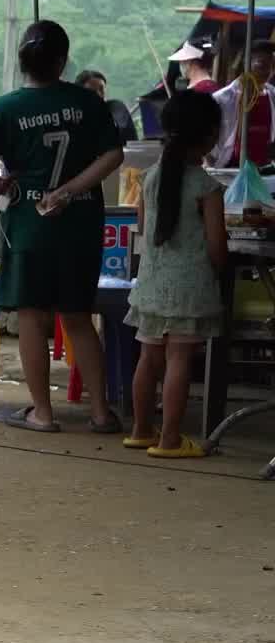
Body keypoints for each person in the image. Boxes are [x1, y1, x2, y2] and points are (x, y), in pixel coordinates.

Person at [0, 19, 126, 435]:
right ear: (62, 60)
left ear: (22, 61)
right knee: (77, 317)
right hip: (80, 223)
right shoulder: (87, 102)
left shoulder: (4, 108)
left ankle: (42, 413)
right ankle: (101, 413)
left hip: (29, 224)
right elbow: (113, 155)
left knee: (31, 316)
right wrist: (71, 189)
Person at [126, 91, 229, 458]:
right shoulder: (206, 186)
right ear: (210, 134)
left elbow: (143, 228)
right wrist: (220, 270)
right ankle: (170, 439)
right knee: (179, 361)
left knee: (148, 359)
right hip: (189, 288)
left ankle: (141, 430)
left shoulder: (149, 177)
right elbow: (217, 246)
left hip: (151, 285)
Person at [211, 40, 274, 169]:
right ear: (246, 63)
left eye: (271, 66)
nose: (267, 71)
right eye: (262, 65)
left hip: (264, 168)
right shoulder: (223, 98)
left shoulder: (272, 95)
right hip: (231, 167)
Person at [77, 70, 140, 143]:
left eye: (101, 89)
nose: (99, 95)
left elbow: (131, 141)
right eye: (91, 92)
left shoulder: (116, 108)